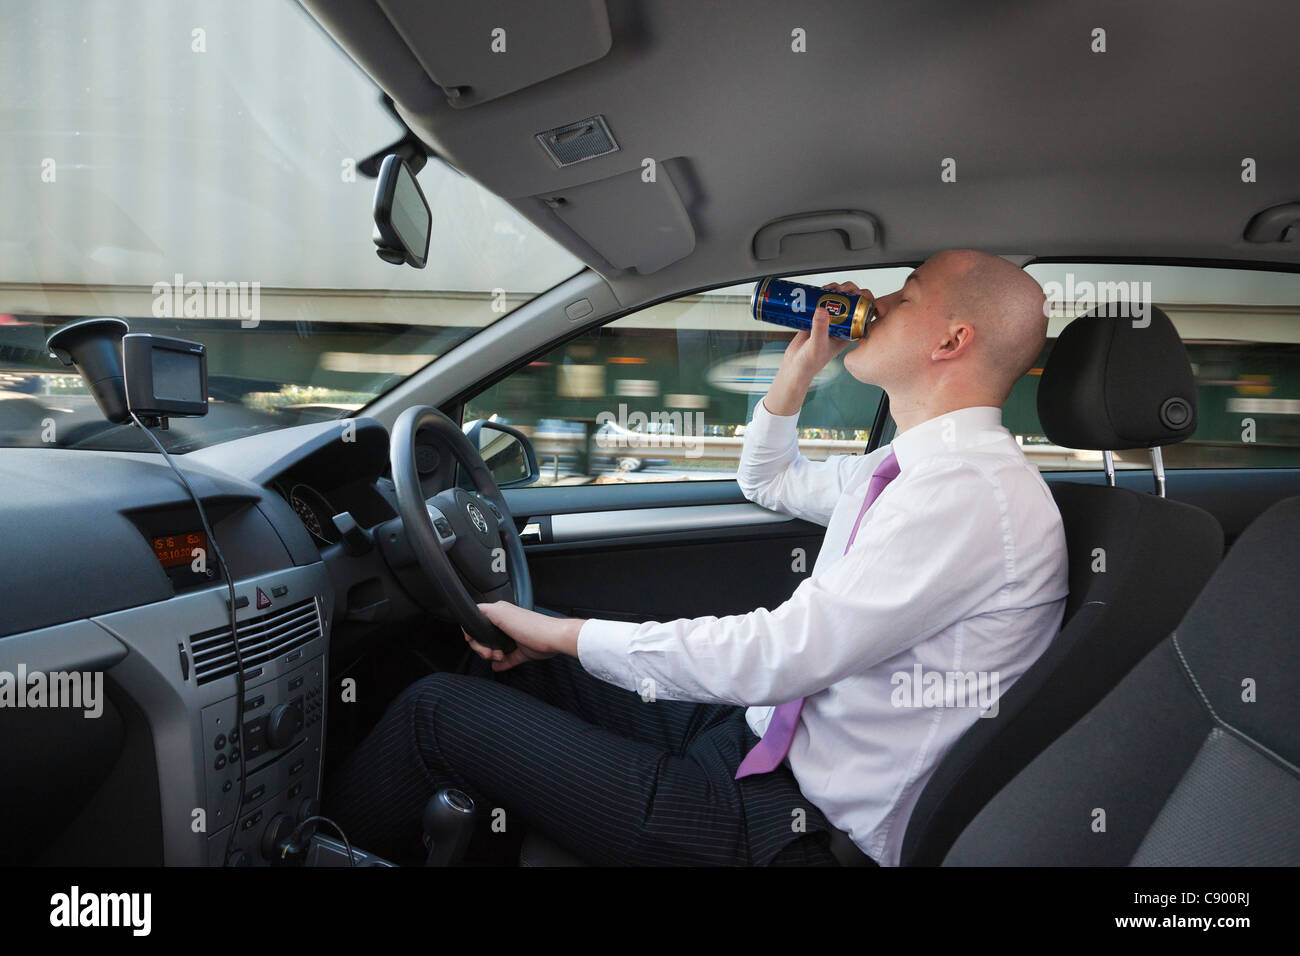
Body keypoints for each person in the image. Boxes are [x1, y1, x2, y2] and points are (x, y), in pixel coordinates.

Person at [325, 249, 1069, 866]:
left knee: (434, 715)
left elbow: (783, 653)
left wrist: (563, 632)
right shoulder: (911, 468)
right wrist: (804, 365)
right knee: (514, 665)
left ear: (951, 341)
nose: (876, 303)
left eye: (906, 296)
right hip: (762, 745)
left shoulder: (968, 496)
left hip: (795, 829)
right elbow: (767, 479)